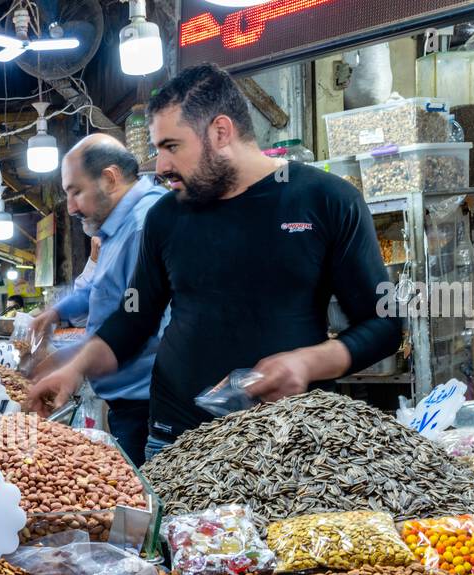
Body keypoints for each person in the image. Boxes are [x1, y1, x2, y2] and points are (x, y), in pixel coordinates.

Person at [26, 64, 400, 461]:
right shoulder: (165, 217)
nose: (161, 166)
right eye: (157, 150)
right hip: (175, 443)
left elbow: (385, 324)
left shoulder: (326, 200)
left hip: (288, 445)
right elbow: (133, 319)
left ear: (221, 132)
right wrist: (75, 368)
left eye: (172, 147)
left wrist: (308, 362)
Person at [21, 134, 170, 465]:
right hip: (125, 402)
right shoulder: (115, 230)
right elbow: (103, 289)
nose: (71, 207)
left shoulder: (143, 225)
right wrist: (57, 312)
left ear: (110, 178)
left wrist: (72, 365)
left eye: (76, 191)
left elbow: (138, 325)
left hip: (147, 405)